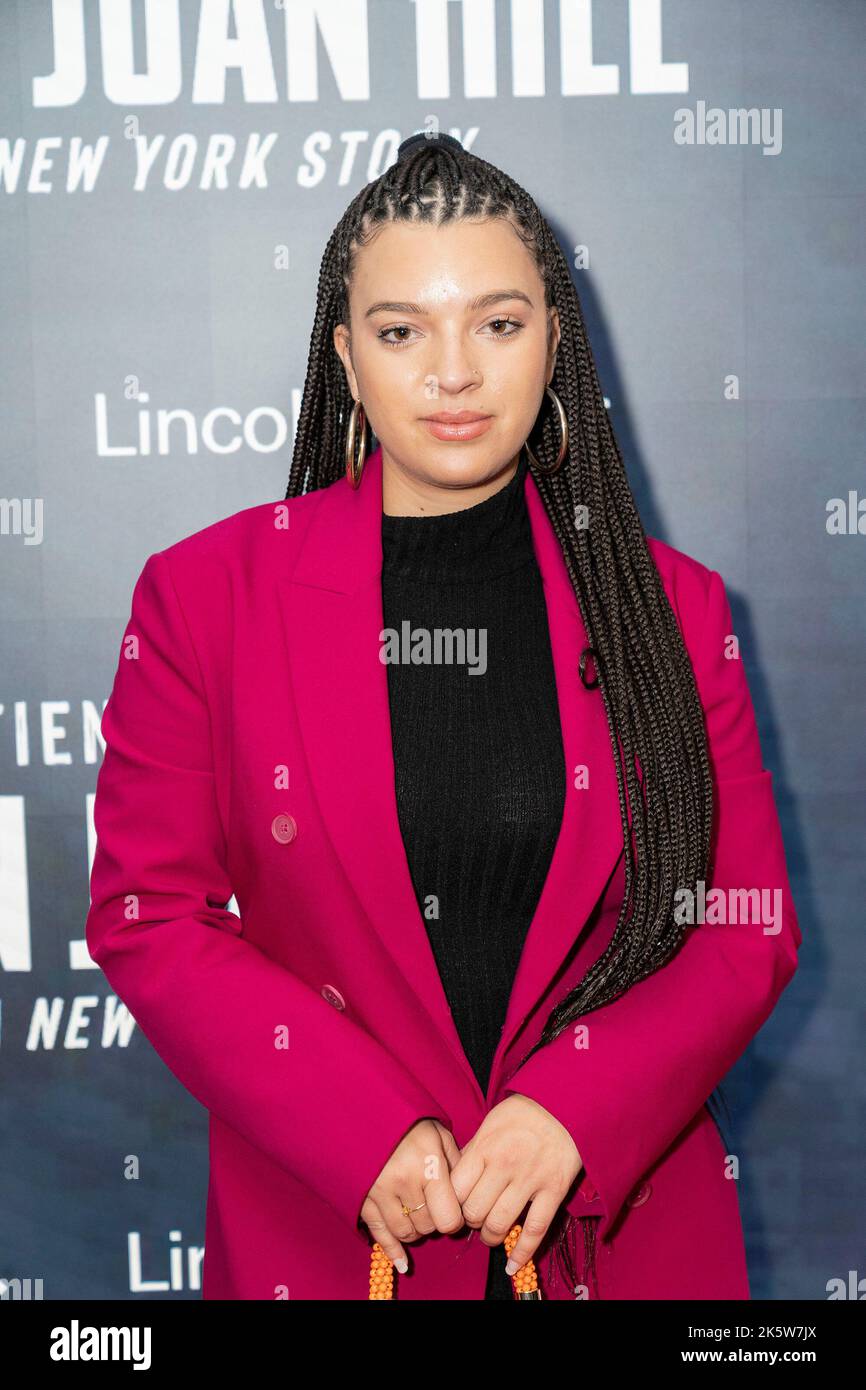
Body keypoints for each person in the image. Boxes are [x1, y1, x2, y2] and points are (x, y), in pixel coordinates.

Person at [86, 131, 801, 1300]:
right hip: (329, 1245)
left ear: (554, 342)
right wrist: (355, 1123)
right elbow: (146, 910)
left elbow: (741, 920)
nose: (453, 371)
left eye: (498, 323)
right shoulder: (204, 596)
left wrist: (576, 1107)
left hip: (619, 1250)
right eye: (401, 329)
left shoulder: (672, 607)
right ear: (345, 358)